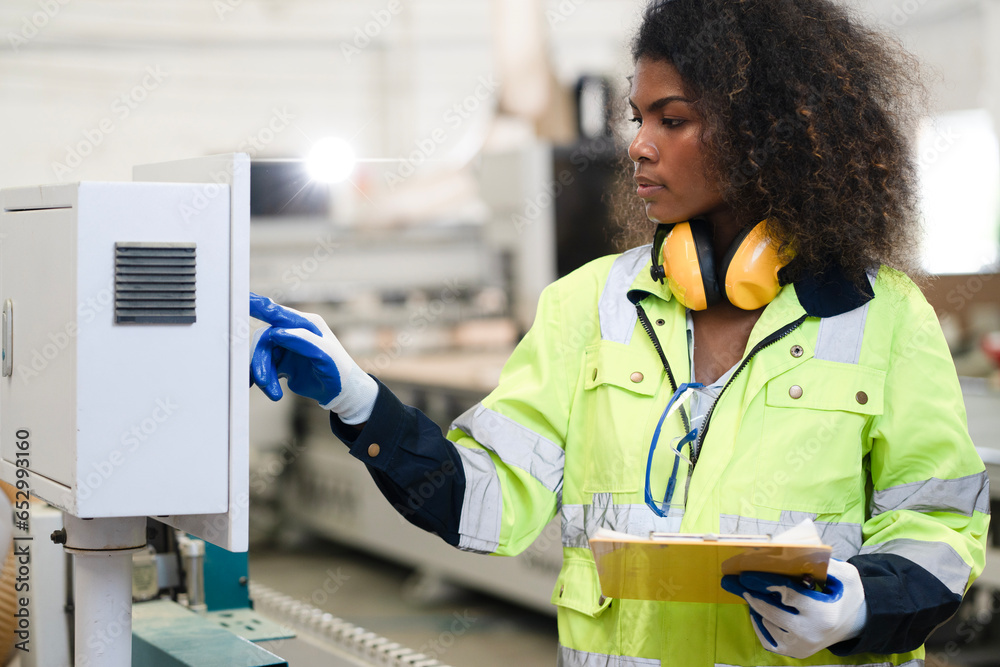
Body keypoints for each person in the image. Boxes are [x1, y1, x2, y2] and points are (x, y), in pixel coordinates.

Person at [249, 0, 990, 664]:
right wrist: (361, 402)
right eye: (639, 119)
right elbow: (487, 502)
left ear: (766, 130)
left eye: (673, 119)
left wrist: (858, 605)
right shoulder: (589, 305)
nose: (639, 145)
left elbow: (939, 526)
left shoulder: (882, 316)